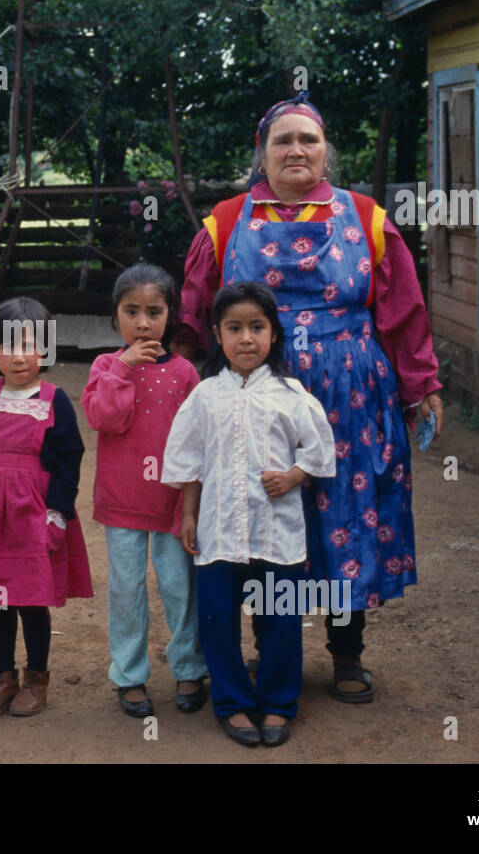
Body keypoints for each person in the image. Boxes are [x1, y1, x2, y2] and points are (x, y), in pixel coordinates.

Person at [173, 91, 443, 703]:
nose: (296, 150)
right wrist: (177, 381)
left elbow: (403, 313)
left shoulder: (368, 218)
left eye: (308, 140)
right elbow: (193, 316)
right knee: (267, 513)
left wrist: (420, 384)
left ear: (326, 153)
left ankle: (347, 652)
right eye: (282, 141)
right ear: (262, 155)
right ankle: (274, 654)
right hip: (256, 396)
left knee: (347, 517)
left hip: (353, 400)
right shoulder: (225, 221)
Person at [163, 281, 335, 746]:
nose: (246, 339)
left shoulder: (291, 394)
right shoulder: (204, 396)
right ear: (217, 336)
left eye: (257, 327)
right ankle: (233, 703)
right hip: (218, 532)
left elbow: (320, 452)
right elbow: (190, 462)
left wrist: (294, 476)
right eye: (233, 328)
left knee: (281, 621)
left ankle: (279, 703)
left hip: (276, 532)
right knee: (217, 619)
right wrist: (189, 515)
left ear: (274, 334)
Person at [0, 297, 92, 720]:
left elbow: (69, 458)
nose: (20, 355)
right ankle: (1, 678)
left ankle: (37, 678)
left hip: (34, 515)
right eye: (7, 345)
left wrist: (58, 512)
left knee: (31, 599)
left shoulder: (54, 399)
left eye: (30, 344)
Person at [81, 264, 207, 718]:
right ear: (116, 316)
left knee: (179, 587)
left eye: (153, 312)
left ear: (169, 315)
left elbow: (197, 442)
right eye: (130, 311)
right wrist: (121, 369)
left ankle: (190, 667)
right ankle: (130, 676)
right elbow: (105, 419)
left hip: (172, 504)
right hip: (122, 503)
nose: (142, 323)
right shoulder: (103, 367)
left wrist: (190, 506)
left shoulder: (186, 373)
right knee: (126, 590)